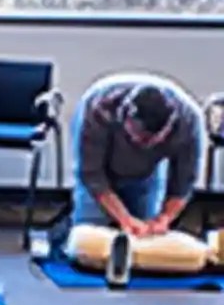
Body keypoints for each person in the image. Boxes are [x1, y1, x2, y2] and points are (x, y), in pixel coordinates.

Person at [67, 73, 206, 243]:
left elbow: (184, 182)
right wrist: (123, 218)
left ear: (169, 128)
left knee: (142, 237)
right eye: (136, 136)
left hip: (145, 173)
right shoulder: (99, 108)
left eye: (149, 140)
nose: (141, 143)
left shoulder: (190, 123)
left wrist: (164, 218)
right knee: (88, 239)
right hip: (101, 154)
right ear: (125, 117)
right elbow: (91, 174)